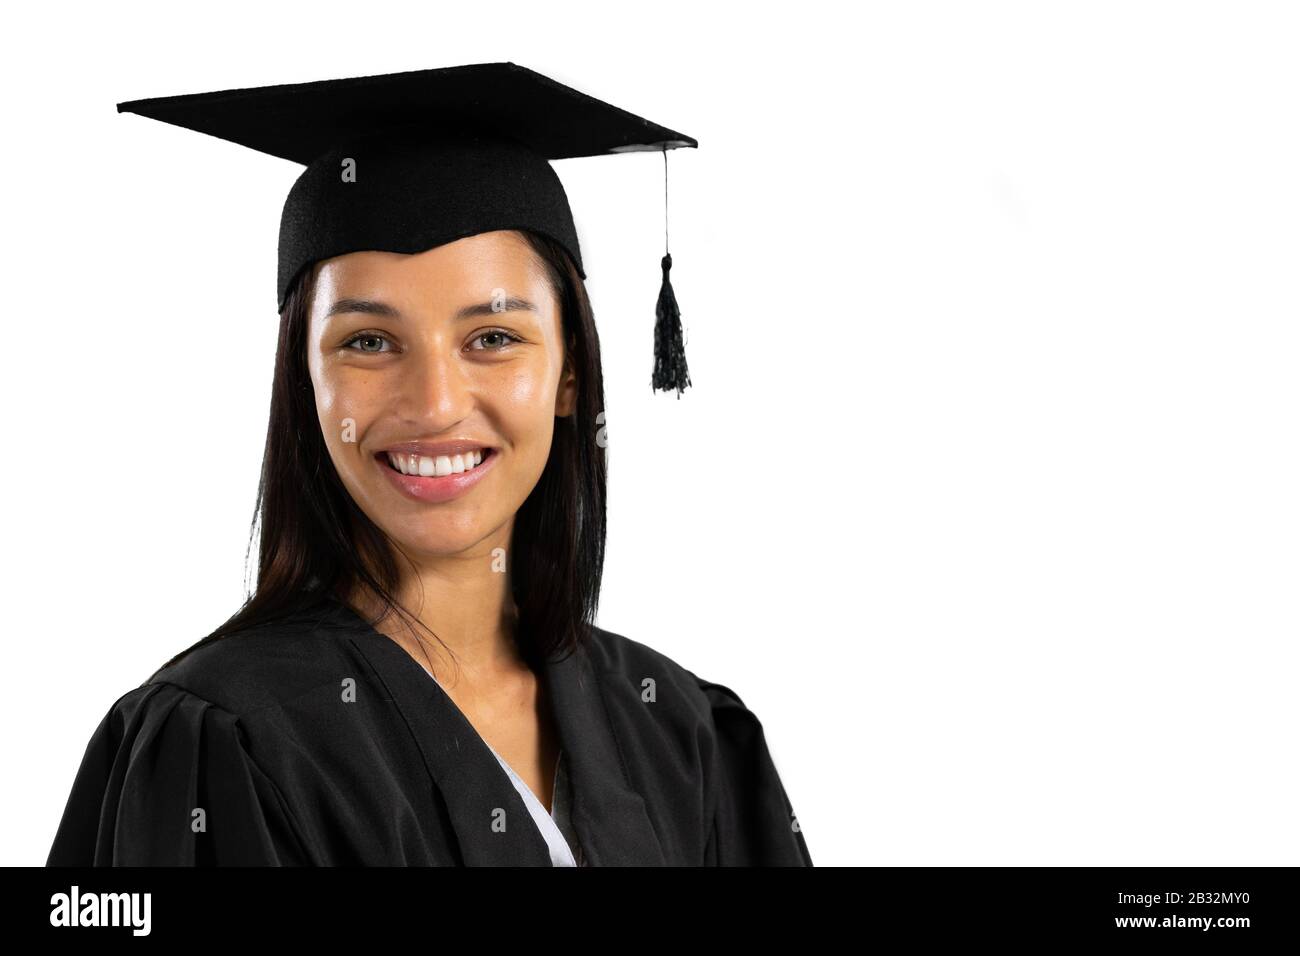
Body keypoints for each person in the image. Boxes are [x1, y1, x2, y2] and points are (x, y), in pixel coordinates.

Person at [46, 63, 812, 867]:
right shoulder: (217, 738)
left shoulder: (682, 729)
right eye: (369, 342)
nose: (436, 402)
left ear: (571, 373)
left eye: (493, 338)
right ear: (306, 380)